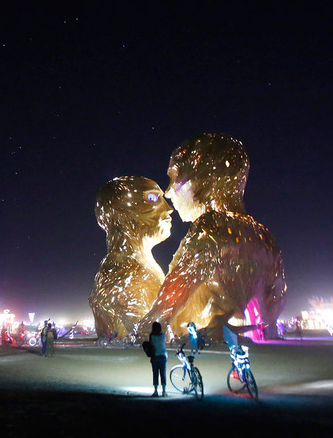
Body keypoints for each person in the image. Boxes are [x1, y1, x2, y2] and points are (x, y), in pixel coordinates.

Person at [140, 134, 287, 342]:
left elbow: (175, 290)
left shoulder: (209, 228)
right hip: (254, 334)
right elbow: (276, 299)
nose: (169, 191)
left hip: (211, 335)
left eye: (175, 177)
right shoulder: (265, 237)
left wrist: (146, 330)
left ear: (205, 179)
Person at [88, 176, 173, 341]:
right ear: (121, 212)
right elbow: (146, 333)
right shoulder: (123, 273)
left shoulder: (143, 266)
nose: (169, 208)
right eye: (152, 198)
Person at [149, 321, 168, 397]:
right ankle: (164, 391)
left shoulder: (151, 336)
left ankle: (155, 391)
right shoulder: (163, 335)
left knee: (155, 373)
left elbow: (150, 345)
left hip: (154, 356)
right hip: (163, 356)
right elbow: (165, 341)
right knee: (163, 373)